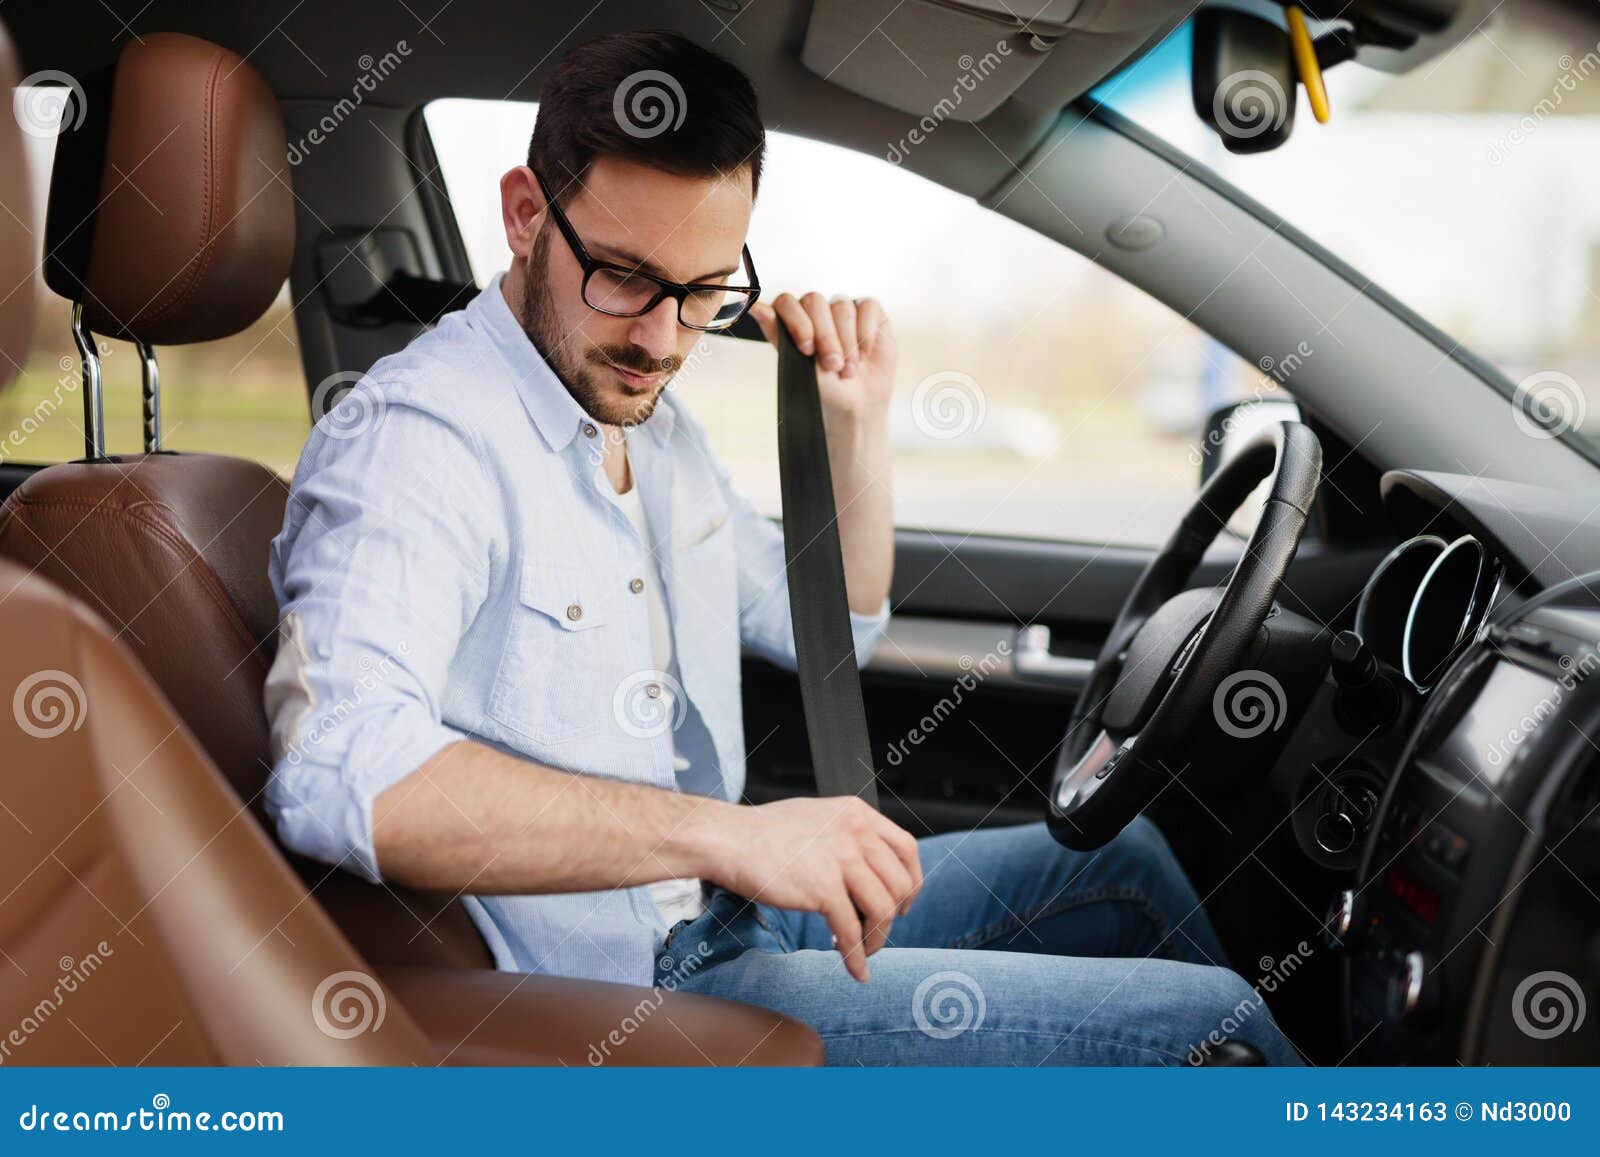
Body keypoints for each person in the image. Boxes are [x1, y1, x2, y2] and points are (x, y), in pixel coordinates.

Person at [264, 28, 1300, 1066]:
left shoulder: (651, 426)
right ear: (526, 215)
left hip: (735, 911)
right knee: (1209, 1028)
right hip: (632, 998)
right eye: (623, 277)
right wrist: (729, 833)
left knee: (1126, 864)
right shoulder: (417, 439)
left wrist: (854, 424)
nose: (663, 340)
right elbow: (340, 769)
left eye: (703, 290)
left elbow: (836, 628)